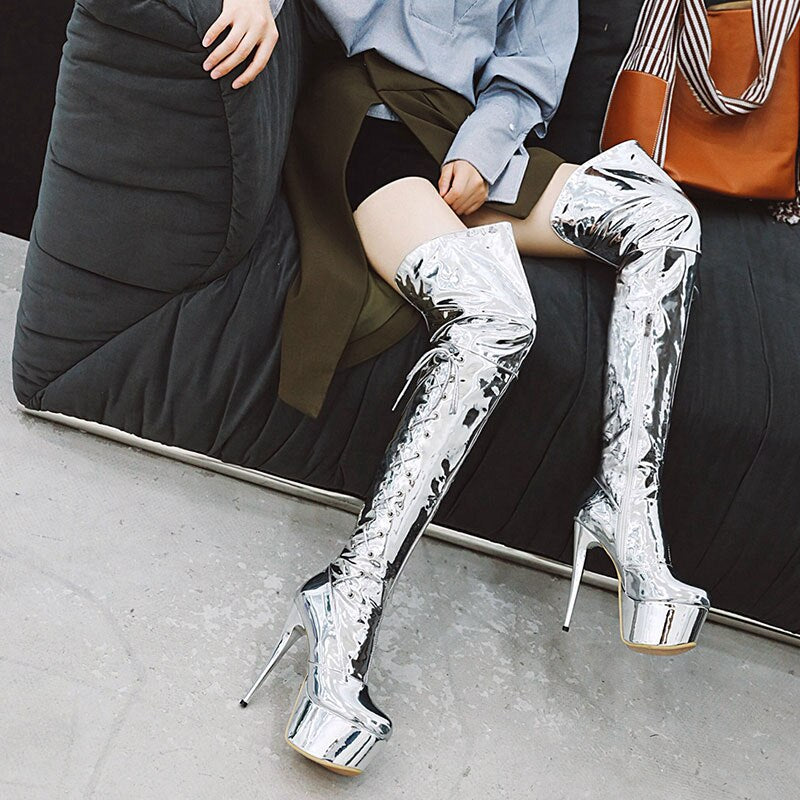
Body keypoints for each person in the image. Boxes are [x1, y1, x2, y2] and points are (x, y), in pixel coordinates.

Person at [203, 0, 711, 776]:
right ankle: (348, 596)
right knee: (499, 318)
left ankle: (625, 506)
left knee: (663, 218)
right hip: (371, 120)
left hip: (470, 138)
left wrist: (483, 145)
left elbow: (531, 63)